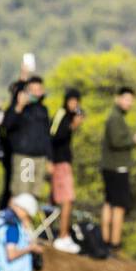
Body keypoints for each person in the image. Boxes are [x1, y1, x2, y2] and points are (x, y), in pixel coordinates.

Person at [100, 86, 136, 253]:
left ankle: (105, 240)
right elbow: (116, 141)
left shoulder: (117, 117)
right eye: (127, 99)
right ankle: (114, 244)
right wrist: (132, 141)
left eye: (131, 100)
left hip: (111, 167)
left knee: (109, 202)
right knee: (118, 205)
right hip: (117, 168)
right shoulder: (115, 118)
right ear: (118, 98)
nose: (129, 103)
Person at [2, 76, 51, 204]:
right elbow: (7, 125)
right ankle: (11, 221)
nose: (35, 93)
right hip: (25, 158)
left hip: (40, 158)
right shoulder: (20, 107)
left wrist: (50, 159)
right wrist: (19, 106)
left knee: (35, 195)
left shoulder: (43, 110)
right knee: (21, 194)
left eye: (38, 89)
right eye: (32, 89)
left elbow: (47, 136)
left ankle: (27, 223)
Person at [49, 88, 84, 253]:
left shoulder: (67, 116)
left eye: (76, 102)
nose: (74, 104)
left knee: (67, 200)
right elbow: (53, 135)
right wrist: (71, 127)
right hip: (59, 162)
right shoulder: (61, 114)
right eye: (72, 101)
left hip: (64, 162)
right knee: (67, 199)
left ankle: (64, 235)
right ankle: (63, 236)